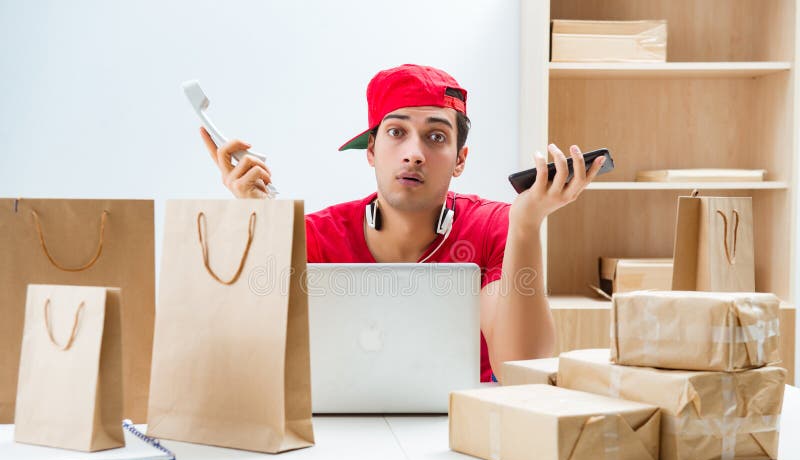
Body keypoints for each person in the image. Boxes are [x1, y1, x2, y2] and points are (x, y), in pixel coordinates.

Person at [200, 64, 605, 382]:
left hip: (465, 432)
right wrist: (259, 223)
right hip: (338, 438)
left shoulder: (496, 227)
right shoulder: (313, 237)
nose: (414, 153)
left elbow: (522, 369)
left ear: (460, 160)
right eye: (397, 132)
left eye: (436, 137)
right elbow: (252, 359)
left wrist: (527, 225)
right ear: (372, 150)